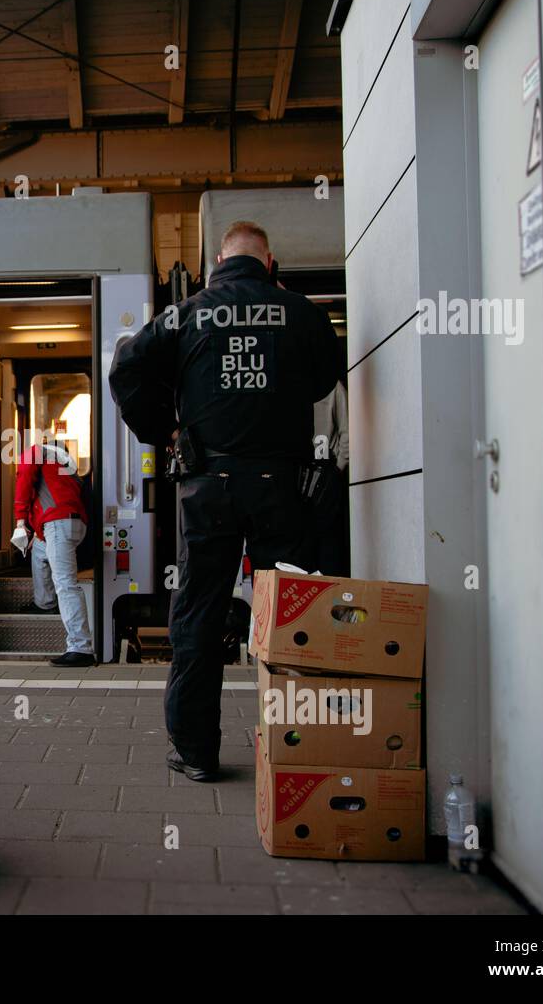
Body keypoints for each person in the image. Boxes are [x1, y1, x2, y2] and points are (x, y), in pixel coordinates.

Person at [109, 220, 340, 780]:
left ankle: (195, 752)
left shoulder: (185, 314)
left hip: (206, 485)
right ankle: (292, 742)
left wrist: (166, 429)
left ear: (217, 259)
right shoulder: (301, 311)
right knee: (288, 610)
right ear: (270, 261)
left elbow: (126, 369)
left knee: (198, 613)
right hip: (280, 486)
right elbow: (327, 375)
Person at [14, 439, 95, 666]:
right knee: (38, 551)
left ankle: (81, 648)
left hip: (58, 525)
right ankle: (45, 603)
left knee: (66, 584)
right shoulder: (67, 469)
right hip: (72, 525)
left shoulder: (36, 452)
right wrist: (37, 532)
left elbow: (24, 481)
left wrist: (20, 520)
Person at [312, 378, 350, 575]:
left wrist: (336, 470)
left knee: (328, 552)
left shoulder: (333, 387)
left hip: (325, 476)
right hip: (306, 478)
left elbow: (348, 434)